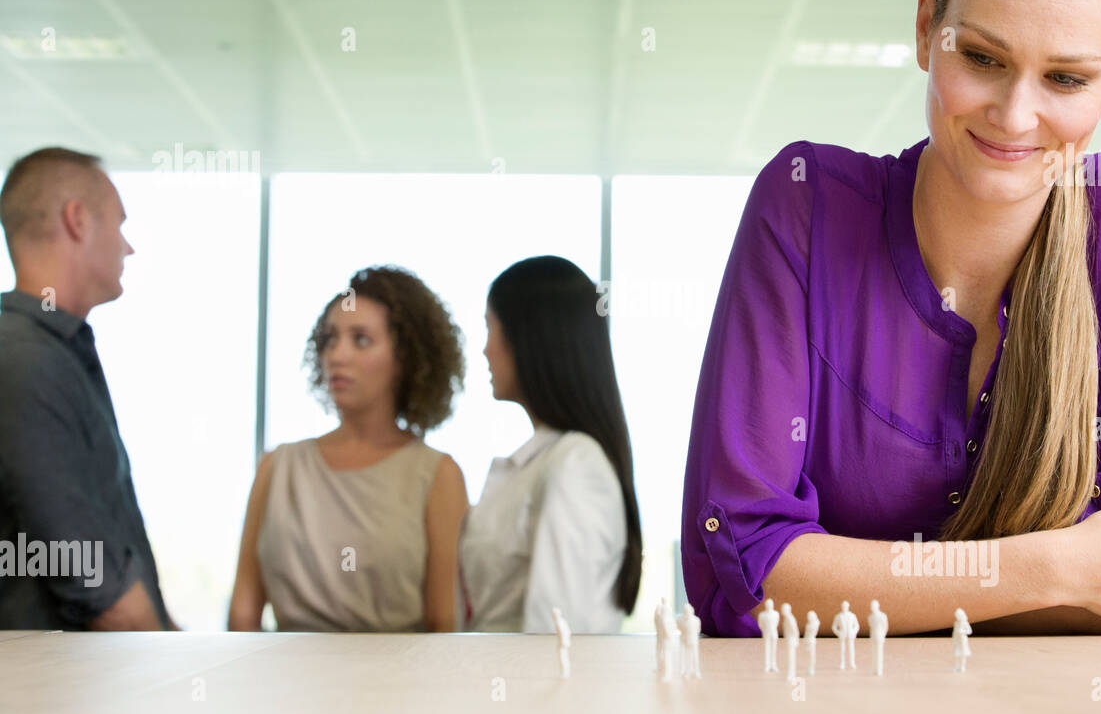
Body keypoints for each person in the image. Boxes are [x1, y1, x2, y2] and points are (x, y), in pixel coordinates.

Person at [682, 0, 1101, 639]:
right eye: (983, 58)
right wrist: (1062, 568)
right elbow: (743, 577)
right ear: (925, 25)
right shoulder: (804, 204)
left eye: (1066, 77)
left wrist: (854, 582)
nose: (1014, 115)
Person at [228, 265, 470, 632]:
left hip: (399, 687)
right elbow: (243, 615)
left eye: (360, 340)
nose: (337, 355)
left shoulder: (436, 475)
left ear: (406, 358)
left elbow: (444, 626)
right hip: (284, 684)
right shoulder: (279, 468)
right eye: (329, 339)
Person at [0, 147, 172, 630]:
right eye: (119, 223)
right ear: (77, 220)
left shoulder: (55, 350)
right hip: (45, 699)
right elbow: (96, 586)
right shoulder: (25, 362)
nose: (128, 246)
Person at [459, 255, 642, 634]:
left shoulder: (576, 463)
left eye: (490, 329)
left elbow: (554, 633)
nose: (485, 350)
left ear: (529, 337)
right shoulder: (550, 459)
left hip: (525, 687)